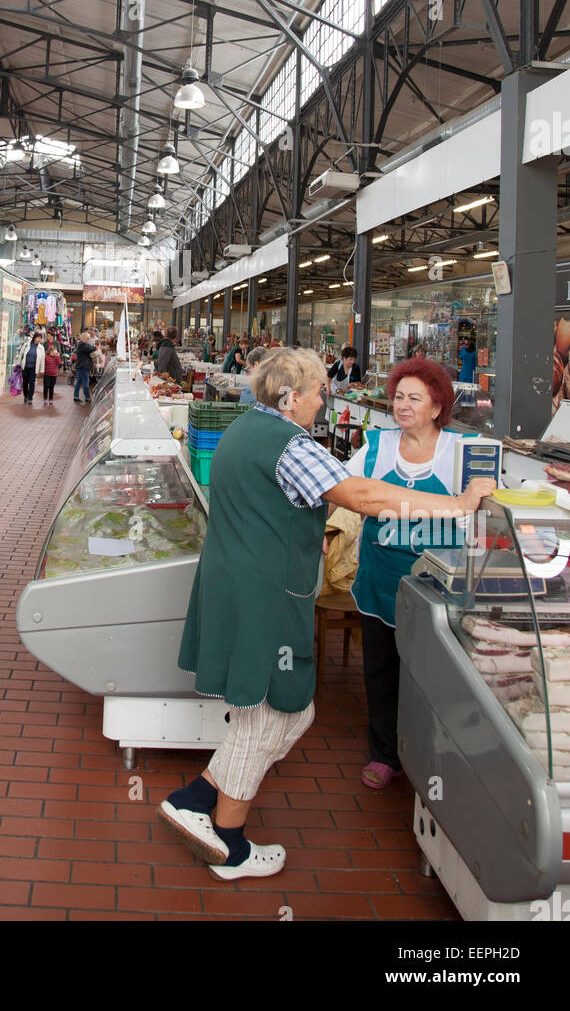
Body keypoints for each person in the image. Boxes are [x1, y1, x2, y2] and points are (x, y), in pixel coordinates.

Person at [158, 347, 494, 880]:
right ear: (292, 398)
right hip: (266, 595)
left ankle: (196, 797)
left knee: (279, 711)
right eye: (317, 391)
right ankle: (228, 841)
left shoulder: (247, 427)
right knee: (275, 712)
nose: (323, 399)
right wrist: (457, 504)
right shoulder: (289, 443)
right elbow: (361, 494)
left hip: (236, 583)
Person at [348, 357, 480, 790]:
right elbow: (345, 491)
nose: (403, 406)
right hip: (381, 579)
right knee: (381, 668)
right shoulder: (377, 446)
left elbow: (482, 512)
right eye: (399, 397)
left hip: (437, 587)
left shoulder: (461, 453)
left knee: (429, 672)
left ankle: (429, 755)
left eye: (414, 398)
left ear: (438, 406)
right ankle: (385, 754)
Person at [20, 332, 45, 406]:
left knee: (32, 383)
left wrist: (41, 370)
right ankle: (25, 396)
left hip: (34, 368)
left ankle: (30, 398)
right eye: (38, 338)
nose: (39, 339)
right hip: (25, 367)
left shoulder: (41, 348)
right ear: (34, 338)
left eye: (40, 338)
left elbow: (42, 359)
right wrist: (18, 364)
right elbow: (21, 353)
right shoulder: (27, 344)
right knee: (25, 383)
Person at [73, 331, 96, 405]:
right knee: (86, 383)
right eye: (88, 339)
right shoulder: (83, 345)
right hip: (83, 367)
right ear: (84, 338)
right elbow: (92, 348)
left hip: (81, 366)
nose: (89, 340)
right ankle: (87, 397)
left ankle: (76, 396)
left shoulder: (81, 345)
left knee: (79, 382)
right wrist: (94, 347)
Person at [43, 340, 62, 406]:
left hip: (54, 375)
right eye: (55, 350)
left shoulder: (56, 357)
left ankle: (51, 399)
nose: (56, 351)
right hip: (46, 375)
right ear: (51, 351)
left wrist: (58, 356)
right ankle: (45, 399)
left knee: (51, 387)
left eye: (56, 350)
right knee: (46, 387)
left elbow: (59, 363)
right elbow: (43, 365)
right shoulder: (46, 357)